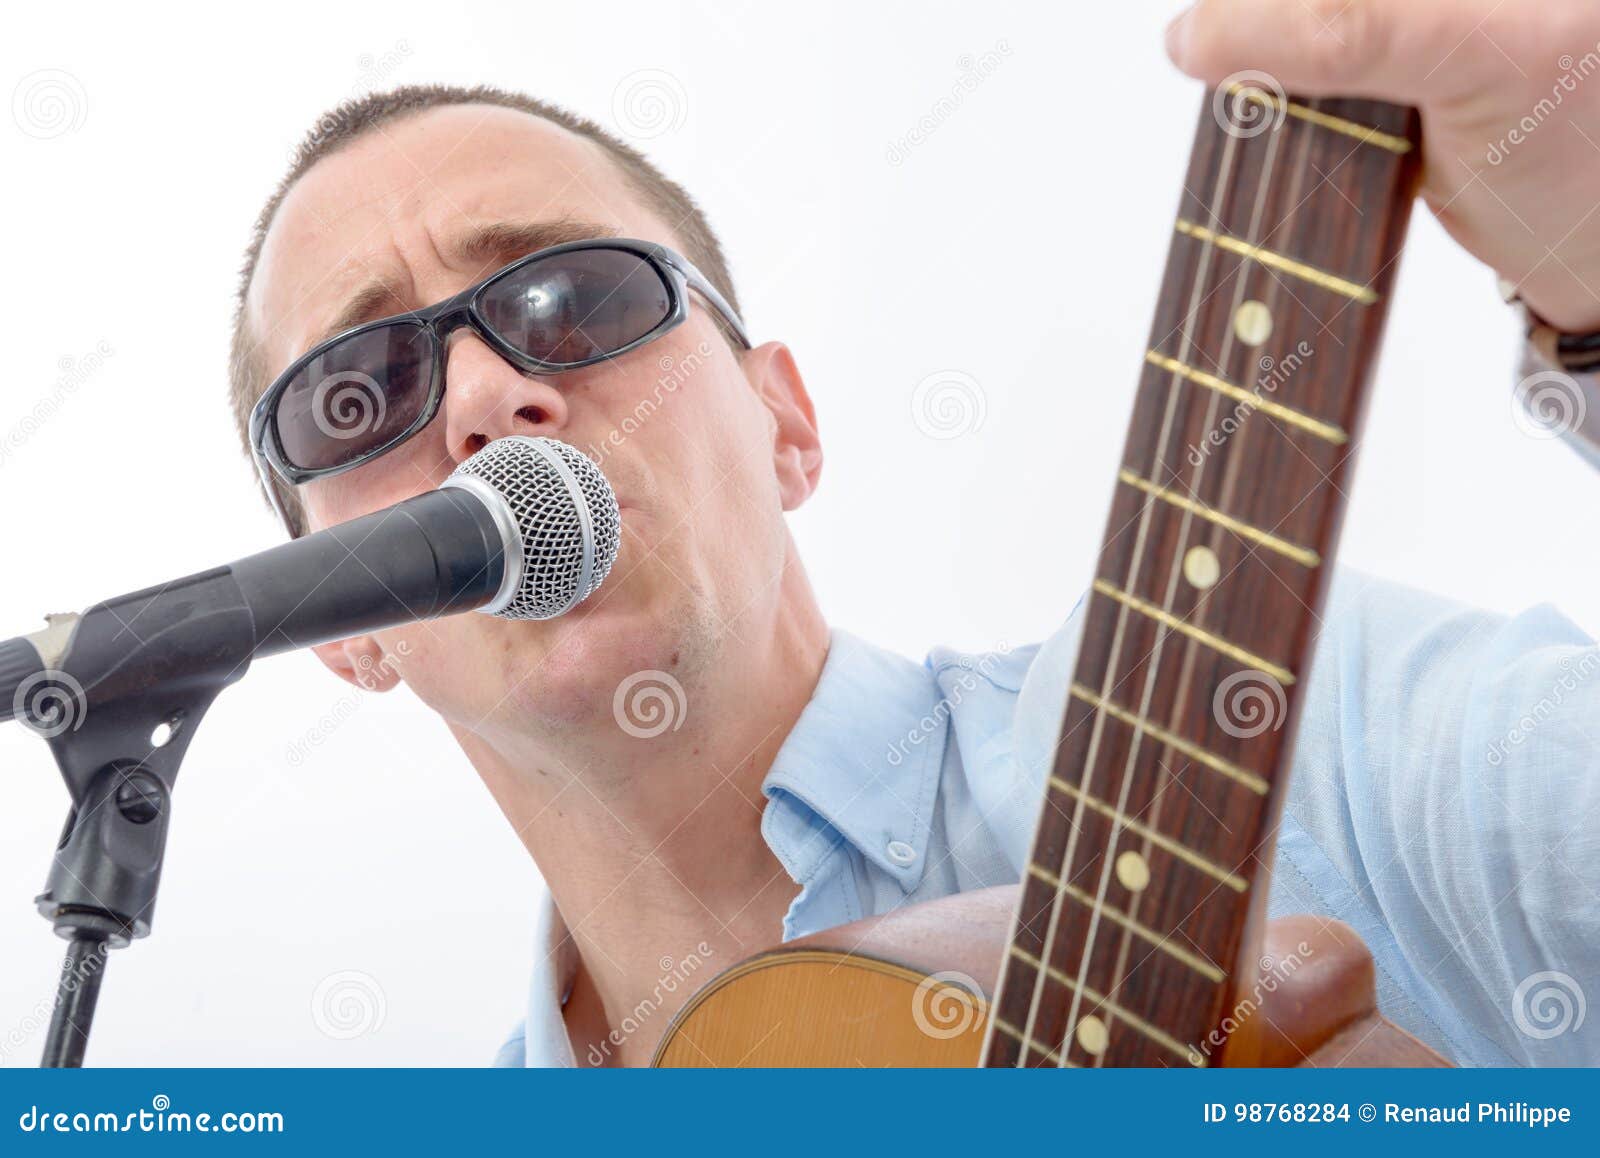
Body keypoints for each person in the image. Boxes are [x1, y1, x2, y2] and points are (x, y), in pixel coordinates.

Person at [229, 0, 1600, 1066]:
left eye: (573, 295)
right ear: (340, 630)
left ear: (788, 427)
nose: (484, 395)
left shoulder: (1285, 707)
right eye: (361, 393)